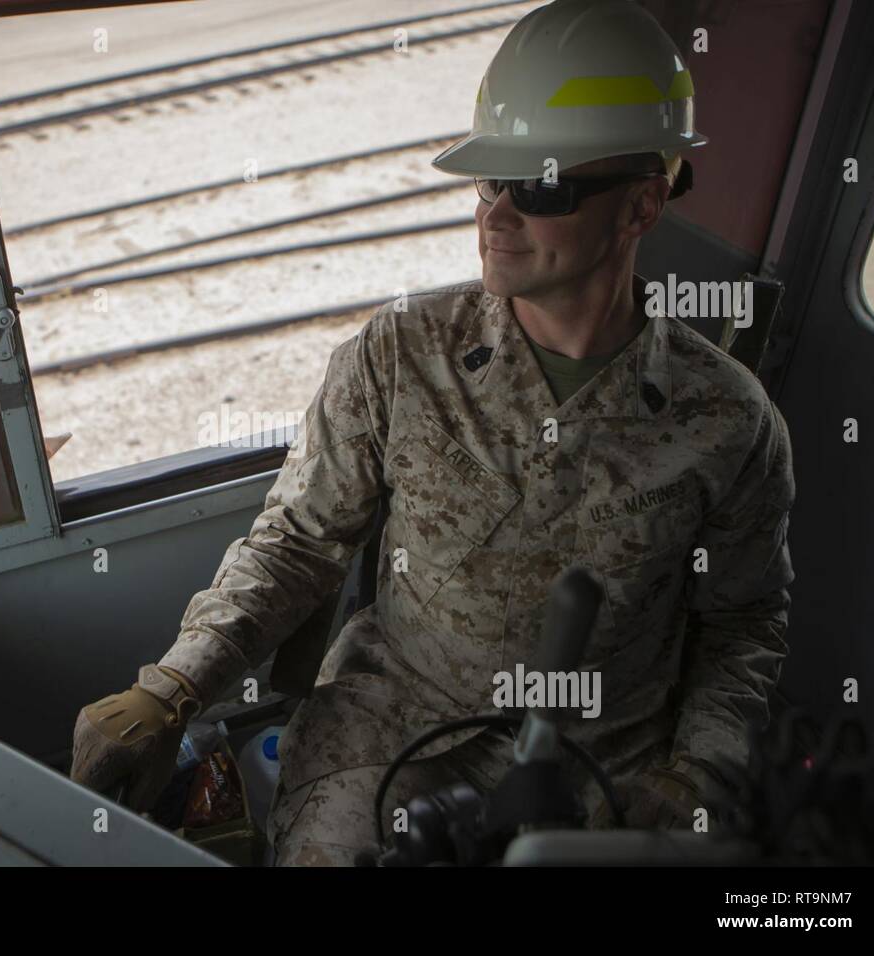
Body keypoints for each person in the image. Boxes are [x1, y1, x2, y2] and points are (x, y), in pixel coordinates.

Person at [70, 0, 795, 865]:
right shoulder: (403, 355)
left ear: (641, 206)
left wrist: (698, 780)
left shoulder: (727, 419)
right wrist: (176, 687)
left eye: (542, 187)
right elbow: (299, 543)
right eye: (489, 181)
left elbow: (743, 625)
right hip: (393, 729)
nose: (495, 214)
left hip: (606, 761)